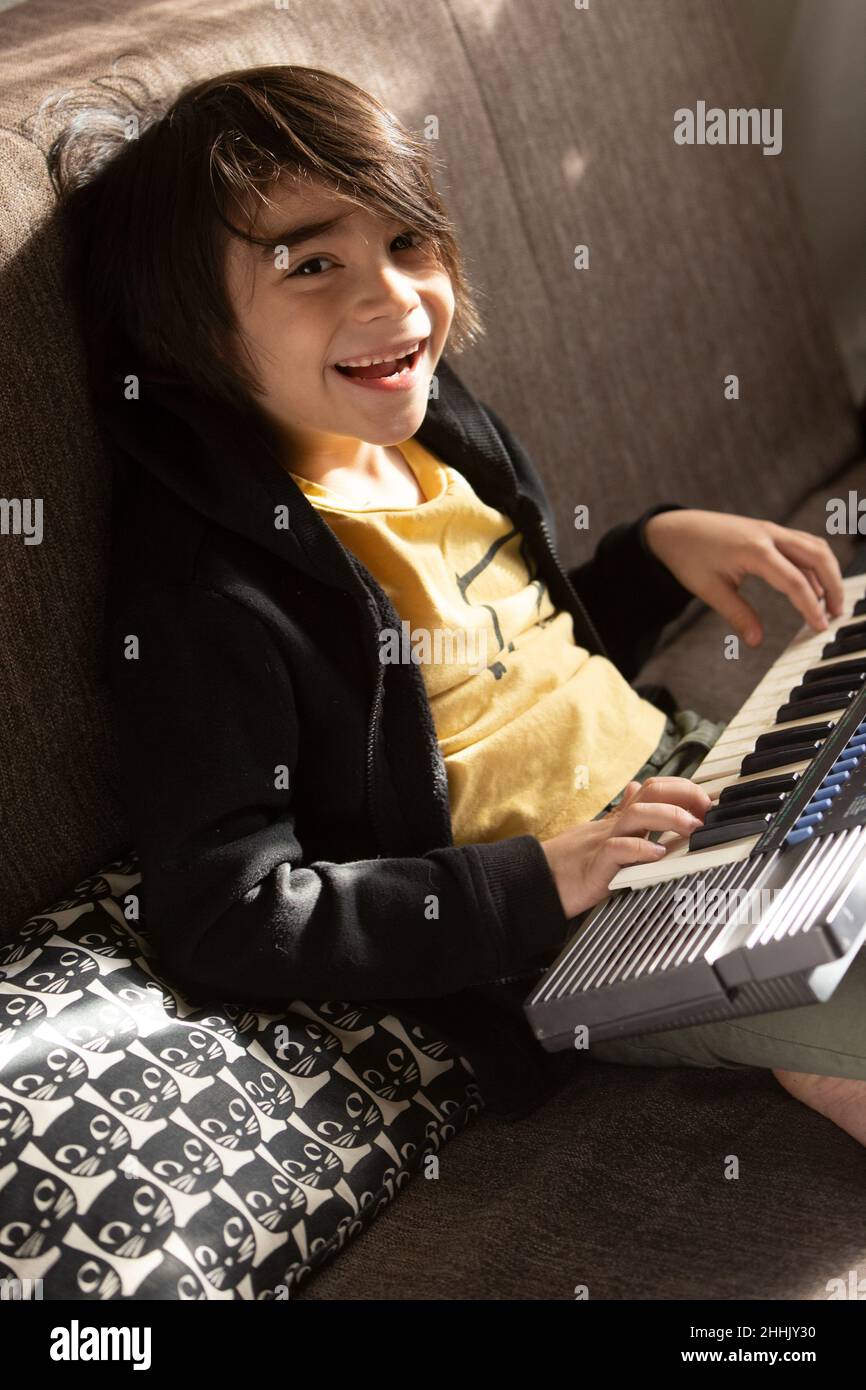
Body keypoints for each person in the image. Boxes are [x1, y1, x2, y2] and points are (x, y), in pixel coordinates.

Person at [46, 64, 865, 1142]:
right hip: (569, 938)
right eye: (312, 264)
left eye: (407, 243)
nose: (389, 297)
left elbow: (513, 664)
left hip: (698, 785)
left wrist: (651, 553)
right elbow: (226, 912)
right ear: (187, 328)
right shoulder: (212, 593)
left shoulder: (434, 431)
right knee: (842, 1023)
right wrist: (530, 882)